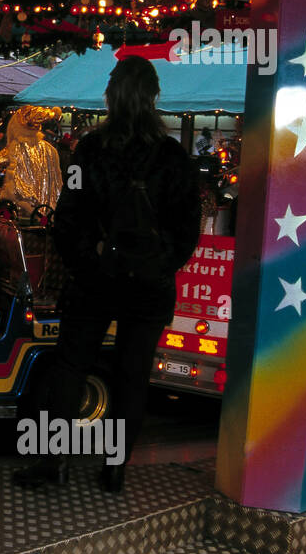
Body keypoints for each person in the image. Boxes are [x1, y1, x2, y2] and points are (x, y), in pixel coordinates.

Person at [15, 57, 200, 492]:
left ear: (110, 97)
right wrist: (157, 264)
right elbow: (187, 228)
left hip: (94, 283)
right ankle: (114, 467)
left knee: (70, 367)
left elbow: (67, 220)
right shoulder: (175, 158)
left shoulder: (89, 151)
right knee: (132, 374)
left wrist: (90, 265)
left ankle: (50, 462)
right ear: (154, 97)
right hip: (150, 287)